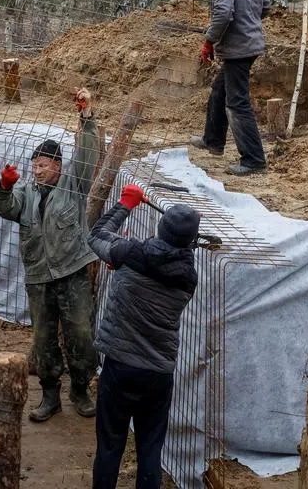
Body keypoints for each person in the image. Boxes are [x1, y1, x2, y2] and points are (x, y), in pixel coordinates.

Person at [0, 88, 100, 422]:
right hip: (39, 277)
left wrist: (86, 119)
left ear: (57, 165)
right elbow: (5, 209)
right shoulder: (25, 191)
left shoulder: (73, 184)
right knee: (42, 339)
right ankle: (50, 395)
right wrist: (5, 186)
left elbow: (87, 155)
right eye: (33, 166)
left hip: (72, 272)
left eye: (43, 165)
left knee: (80, 333)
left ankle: (81, 390)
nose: (36, 171)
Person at [86, 183, 201, 489]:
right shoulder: (189, 278)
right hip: (158, 374)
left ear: (159, 228)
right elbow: (166, 259)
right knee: (151, 450)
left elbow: (96, 236)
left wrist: (126, 204)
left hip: (120, 367)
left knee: (110, 445)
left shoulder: (131, 253)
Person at [189, 0, 271, 175]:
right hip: (250, 43)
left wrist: (209, 41)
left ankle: (254, 160)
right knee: (219, 90)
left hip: (238, 48)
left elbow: (223, 13)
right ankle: (213, 140)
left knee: (237, 104)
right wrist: (248, 22)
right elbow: (265, 8)